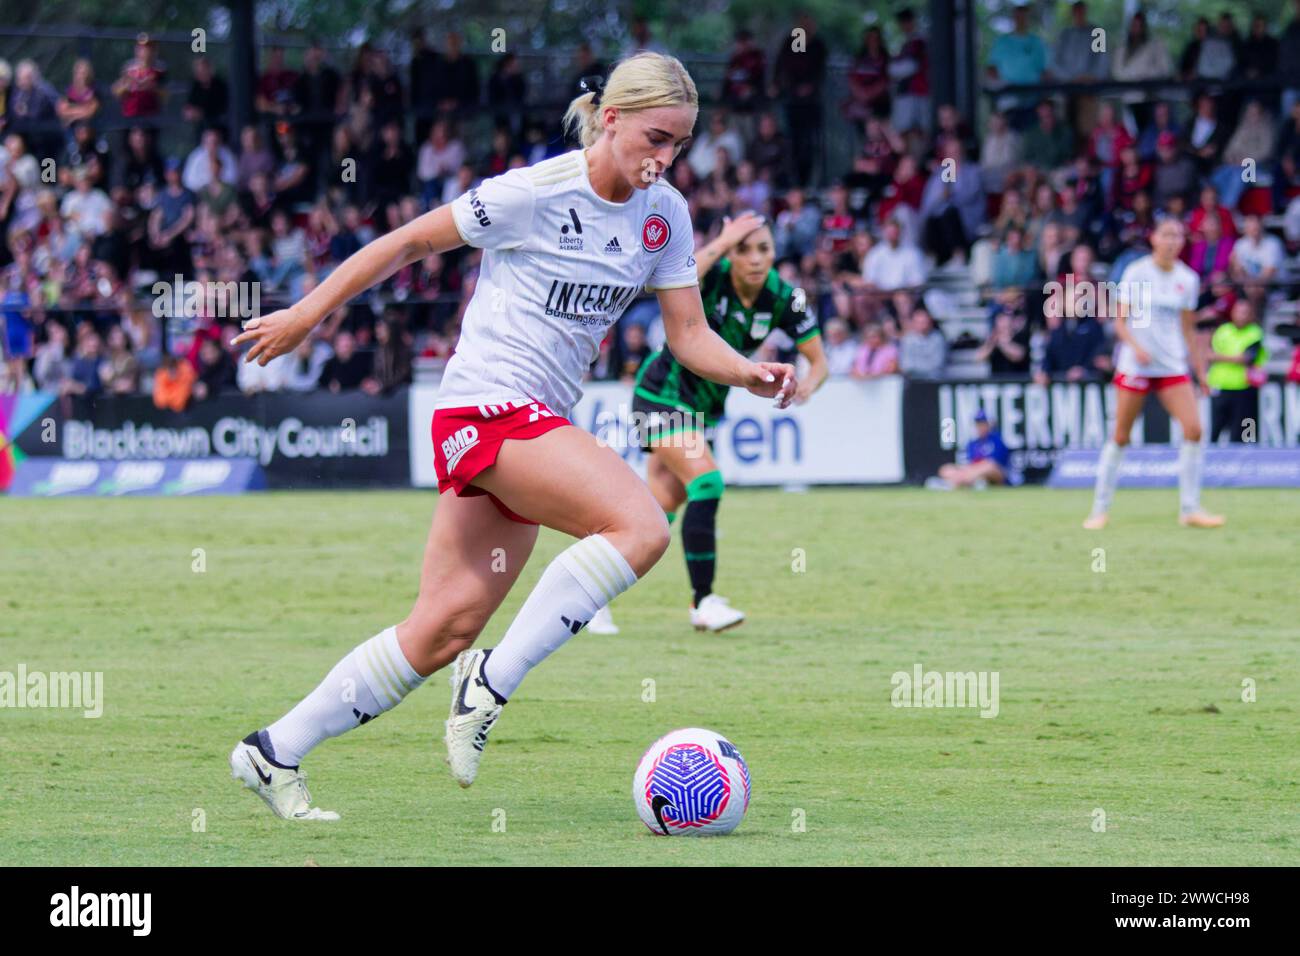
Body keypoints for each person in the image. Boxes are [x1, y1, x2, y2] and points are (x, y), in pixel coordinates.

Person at [227, 53, 797, 820]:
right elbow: (405, 244)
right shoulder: (531, 193)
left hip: (535, 425)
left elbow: (689, 336)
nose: (665, 158)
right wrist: (305, 314)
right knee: (637, 524)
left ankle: (273, 751)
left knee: (441, 628)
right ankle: (491, 680)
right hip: (485, 408)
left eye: (681, 145)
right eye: (656, 137)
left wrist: (748, 371)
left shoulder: (666, 217)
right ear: (614, 119)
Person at [592, 212, 825, 636]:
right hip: (661, 394)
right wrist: (721, 241)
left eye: (764, 249)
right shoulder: (712, 276)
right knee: (708, 482)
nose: (755, 259)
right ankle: (704, 602)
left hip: (705, 405)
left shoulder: (784, 296)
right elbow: (666, 280)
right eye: (744, 249)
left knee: (655, 515)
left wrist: (807, 387)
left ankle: (589, 593)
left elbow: (819, 361)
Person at [1084, 218, 1224, 530]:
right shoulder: (1136, 273)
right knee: (1120, 436)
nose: (1172, 241)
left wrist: (1200, 371)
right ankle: (1099, 510)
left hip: (1171, 365)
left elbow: (1188, 329)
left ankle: (1190, 509)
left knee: (1194, 429)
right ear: (1153, 239)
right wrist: (1135, 347)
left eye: (1178, 236)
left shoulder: (1187, 279)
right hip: (1136, 366)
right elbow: (1120, 322)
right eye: (1167, 235)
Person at [1207, 298, 1267, 443]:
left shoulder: (1255, 333)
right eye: (1239, 312)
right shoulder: (1222, 331)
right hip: (1221, 385)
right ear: (1232, 313)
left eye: (1246, 312)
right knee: (1216, 429)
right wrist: (1233, 358)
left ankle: (1250, 459)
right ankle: (1211, 459)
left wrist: (1219, 357)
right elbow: (1208, 355)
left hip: (1245, 388)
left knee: (1247, 430)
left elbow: (1247, 358)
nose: (1242, 315)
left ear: (1251, 314)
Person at [926, 409, 1017, 489]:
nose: (980, 427)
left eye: (982, 424)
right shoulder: (972, 443)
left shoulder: (996, 440)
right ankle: (973, 483)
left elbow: (995, 464)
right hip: (974, 473)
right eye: (978, 424)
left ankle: (952, 484)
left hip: (997, 476)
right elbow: (970, 463)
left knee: (988, 466)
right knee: (946, 469)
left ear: (988, 425)